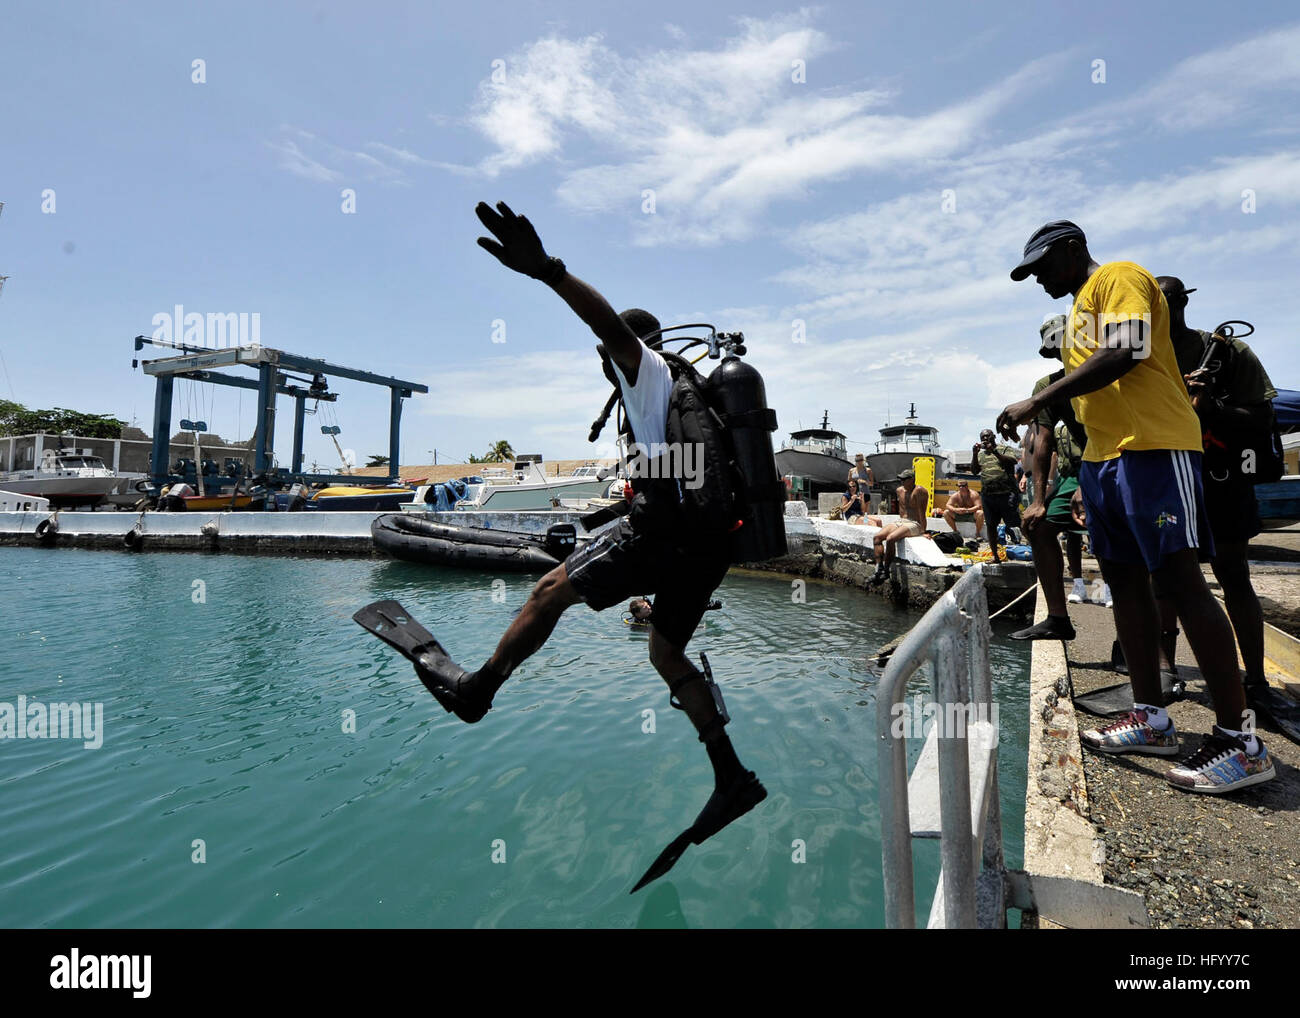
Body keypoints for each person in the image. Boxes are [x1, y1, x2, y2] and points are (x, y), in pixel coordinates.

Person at [354, 201, 769, 890]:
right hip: (707, 544)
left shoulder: (644, 369)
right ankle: (730, 775)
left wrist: (549, 272)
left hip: (666, 538)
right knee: (665, 651)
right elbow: (672, 473)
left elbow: (608, 326)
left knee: (548, 592)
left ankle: (476, 692)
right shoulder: (678, 395)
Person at [998, 219, 1274, 794]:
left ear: (1074, 249)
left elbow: (1127, 348)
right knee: (1125, 584)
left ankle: (1240, 742)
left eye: (1045, 265)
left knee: (1180, 583)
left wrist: (1039, 399)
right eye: (1031, 273)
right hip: (1104, 459)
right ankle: (1150, 716)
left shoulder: (1120, 277)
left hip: (1154, 447)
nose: (1040, 279)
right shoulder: (1075, 314)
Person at [1155, 276, 1278, 704]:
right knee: (1165, 577)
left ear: (1181, 303)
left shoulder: (1229, 353)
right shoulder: (1140, 356)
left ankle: (1256, 682)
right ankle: (1164, 671)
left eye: (1161, 300)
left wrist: (1213, 407)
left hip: (1221, 480)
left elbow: (1263, 420)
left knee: (1233, 575)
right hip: (1167, 478)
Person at [1009, 314, 1094, 641]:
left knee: (1122, 546)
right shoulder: (1047, 387)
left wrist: (1089, 482)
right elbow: (1043, 441)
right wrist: (1039, 501)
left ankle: (1136, 641)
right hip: (1082, 471)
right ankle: (1058, 618)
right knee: (1037, 526)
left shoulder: (1112, 373)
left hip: (1118, 463)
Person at [870, 468, 928, 585]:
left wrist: (923, 531)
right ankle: (878, 568)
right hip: (901, 521)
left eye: (904, 479)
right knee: (877, 537)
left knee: (891, 539)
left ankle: (886, 571)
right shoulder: (899, 490)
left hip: (914, 523)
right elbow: (901, 510)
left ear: (912, 479)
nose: (901, 481)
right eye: (900, 479)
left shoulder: (919, 491)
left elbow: (922, 513)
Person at [973, 428, 1021, 561]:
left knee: (1016, 523)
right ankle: (995, 556)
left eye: (987, 436)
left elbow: (1012, 461)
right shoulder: (981, 455)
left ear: (993, 436)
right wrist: (974, 454)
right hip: (989, 496)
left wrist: (994, 451)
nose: (985, 439)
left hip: (1006, 494)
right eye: (982, 437)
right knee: (991, 526)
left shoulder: (1004, 449)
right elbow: (975, 471)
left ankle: (1035, 550)